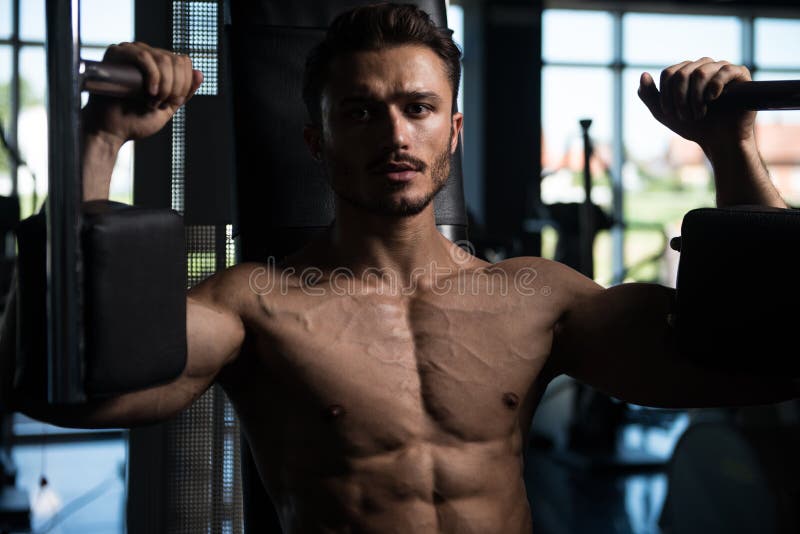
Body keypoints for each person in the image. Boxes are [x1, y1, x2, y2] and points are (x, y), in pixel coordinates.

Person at [3, 4, 798, 533]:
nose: (395, 135)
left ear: (451, 131)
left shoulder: (536, 299)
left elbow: (752, 359)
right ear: (316, 142)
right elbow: (70, 387)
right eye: (359, 111)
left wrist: (731, 147)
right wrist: (99, 140)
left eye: (417, 109)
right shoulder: (258, 306)